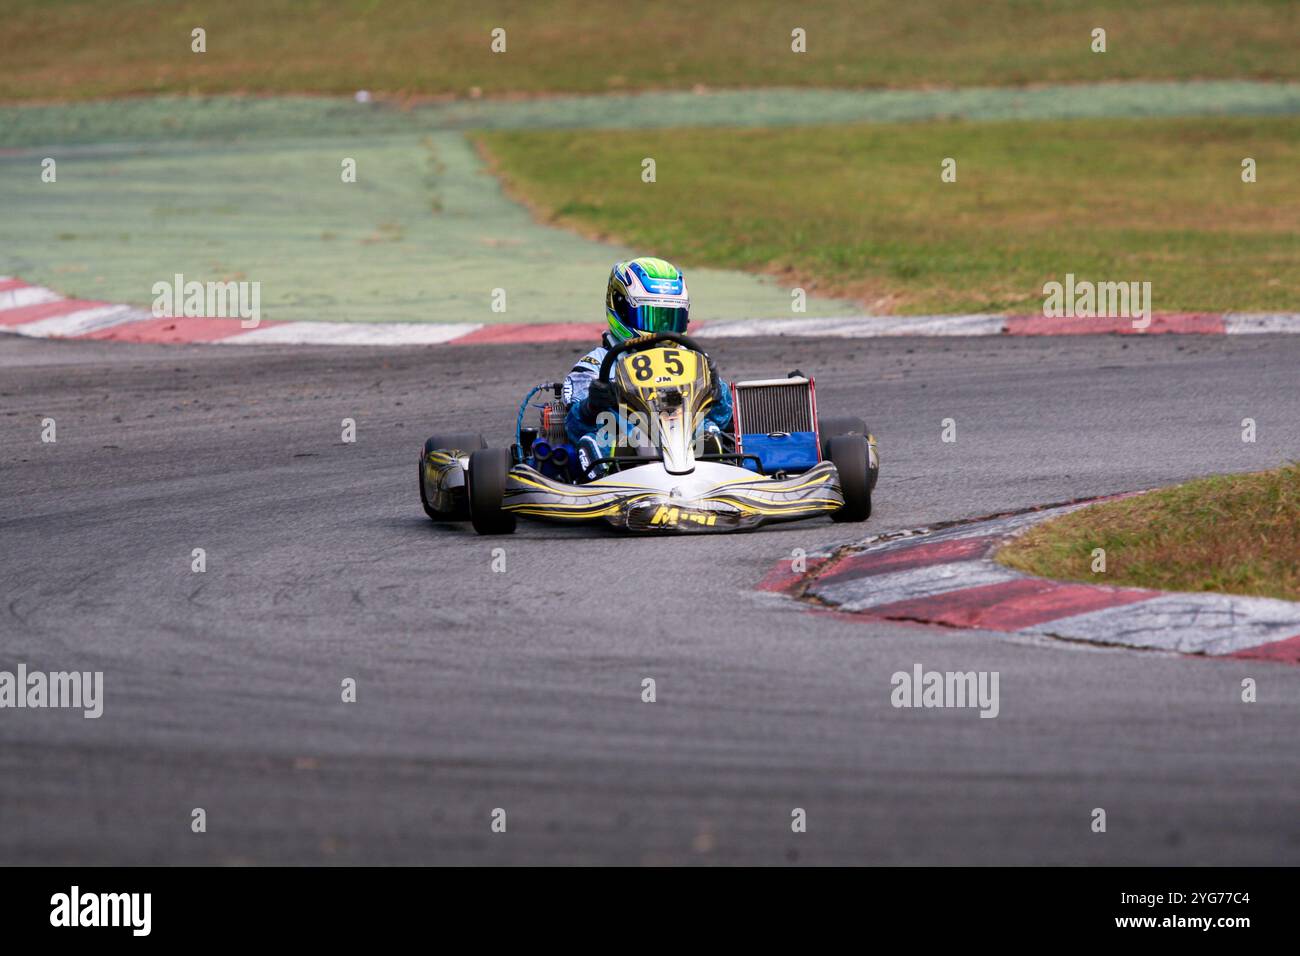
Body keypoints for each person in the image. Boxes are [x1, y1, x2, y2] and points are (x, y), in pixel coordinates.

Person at [563, 257, 732, 479]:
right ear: (620, 309)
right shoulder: (595, 365)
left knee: (708, 427)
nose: (661, 329)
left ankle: (711, 461)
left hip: (684, 438)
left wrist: (716, 392)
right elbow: (573, 425)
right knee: (609, 433)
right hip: (627, 450)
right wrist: (591, 405)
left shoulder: (693, 359)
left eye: (670, 319)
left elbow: (725, 417)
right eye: (652, 317)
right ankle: (611, 471)